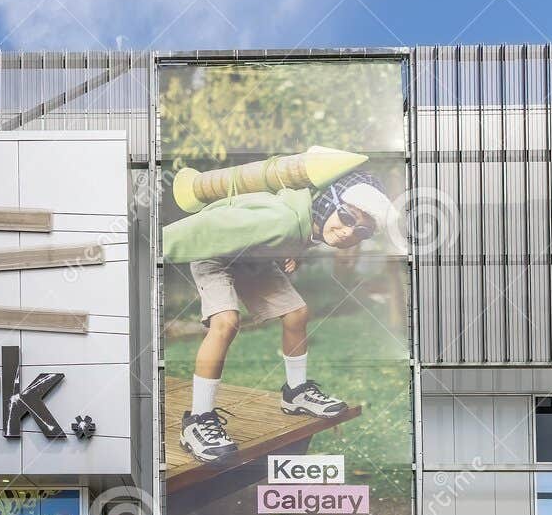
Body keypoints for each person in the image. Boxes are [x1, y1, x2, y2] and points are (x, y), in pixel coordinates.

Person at [162, 169, 400, 463]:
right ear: (328, 202)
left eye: (362, 232)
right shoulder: (281, 218)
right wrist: (154, 244)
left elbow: (281, 238)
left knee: (297, 314)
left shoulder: (311, 223)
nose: (348, 232)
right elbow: (213, 226)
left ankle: (295, 393)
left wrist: (288, 249)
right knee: (226, 323)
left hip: (252, 259)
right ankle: (197, 421)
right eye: (348, 217)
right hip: (215, 253)